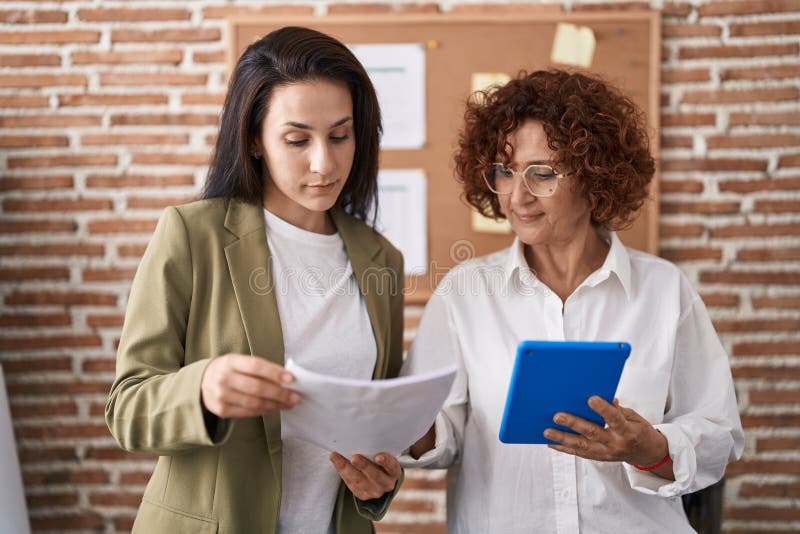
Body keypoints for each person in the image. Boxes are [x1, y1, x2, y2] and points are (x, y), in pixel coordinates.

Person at [401, 69, 744, 533]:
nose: (517, 196)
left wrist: (651, 448)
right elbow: (437, 432)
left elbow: (718, 434)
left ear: (593, 174)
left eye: (541, 173)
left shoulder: (664, 291)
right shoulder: (465, 294)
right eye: (505, 172)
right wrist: (406, 426)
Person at [105, 26, 405, 534]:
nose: (324, 163)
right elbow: (127, 409)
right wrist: (202, 389)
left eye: (340, 135)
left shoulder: (381, 260)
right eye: (296, 139)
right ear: (254, 140)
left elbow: (376, 422)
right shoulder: (192, 235)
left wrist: (381, 483)